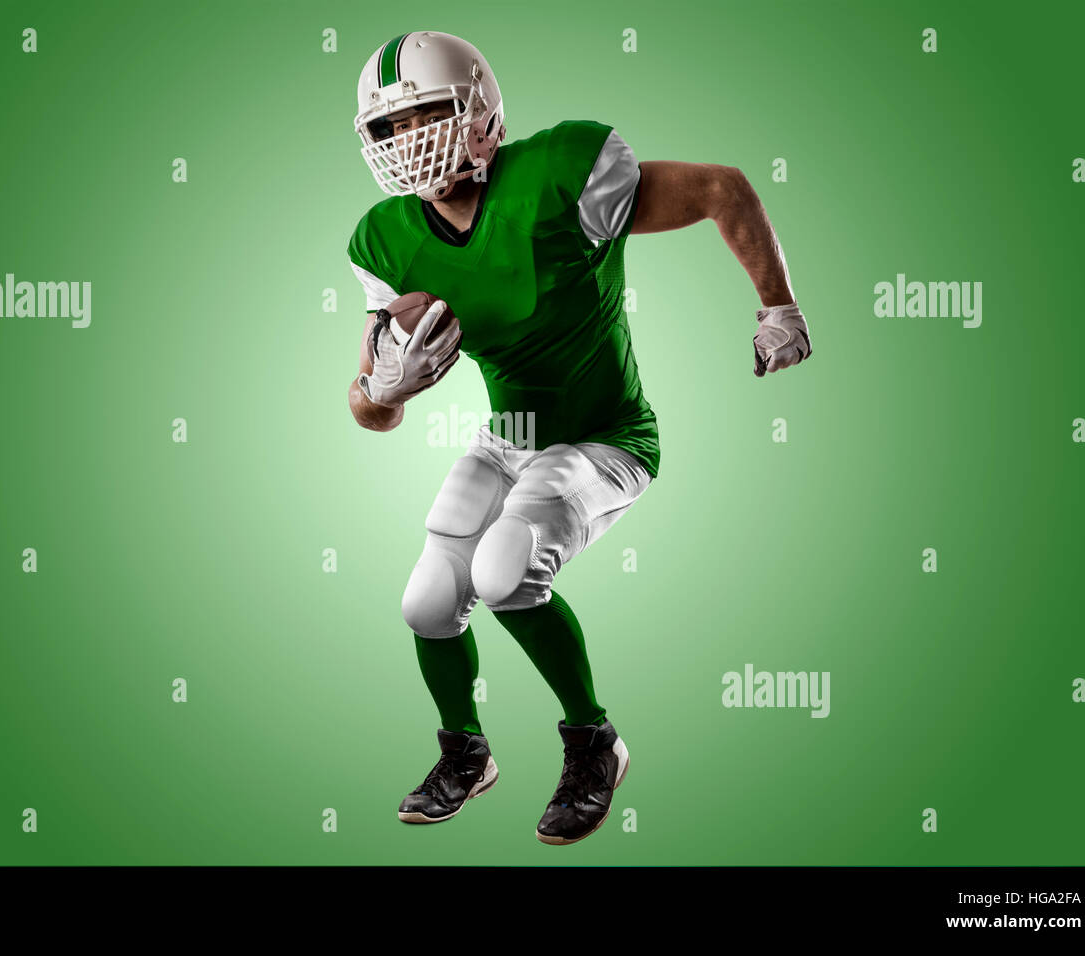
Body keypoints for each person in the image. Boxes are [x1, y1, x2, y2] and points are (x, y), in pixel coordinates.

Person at [346, 31, 812, 845]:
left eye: (425, 114)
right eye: (389, 127)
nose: (408, 140)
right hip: (510, 436)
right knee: (425, 599)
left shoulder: (560, 173)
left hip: (605, 436)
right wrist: (383, 391)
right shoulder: (386, 239)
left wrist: (778, 304)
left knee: (501, 571)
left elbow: (719, 187)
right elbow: (368, 410)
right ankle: (466, 754)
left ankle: (595, 742)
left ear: (480, 112)